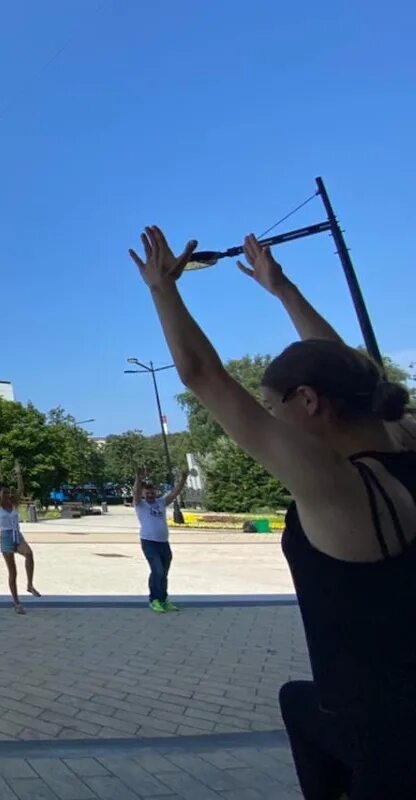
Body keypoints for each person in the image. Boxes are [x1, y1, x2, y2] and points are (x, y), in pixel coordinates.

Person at [130, 225, 415, 798]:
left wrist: (163, 289)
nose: (269, 416)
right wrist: (282, 290)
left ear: (308, 401)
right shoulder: (403, 440)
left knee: (314, 713)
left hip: (389, 741)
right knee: (297, 701)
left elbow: (203, 376)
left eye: (269, 405)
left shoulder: (341, 489)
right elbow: (352, 373)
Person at [0, 462, 41, 614]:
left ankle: (30, 585)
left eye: (7, 493)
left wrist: (19, 474)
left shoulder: (14, 504)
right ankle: (17, 603)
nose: (6, 495)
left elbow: (21, 489)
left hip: (17, 534)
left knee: (29, 554)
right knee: (13, 572)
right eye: (3, 493)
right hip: (5, 537)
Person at [132, 466, 184, 613]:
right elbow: (136, 493)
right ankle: (154, 600)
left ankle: (164, 599)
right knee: (157, 571)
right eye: (147, 493)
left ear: (156, 492)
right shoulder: (140, 505)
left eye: (152, 492)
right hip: (149, 542)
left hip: (164, 543)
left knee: (164, 573)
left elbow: (174, 493)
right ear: (144, 494)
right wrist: (138, 478)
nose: (150, 495)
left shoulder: (161, 502)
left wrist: (183, 479)